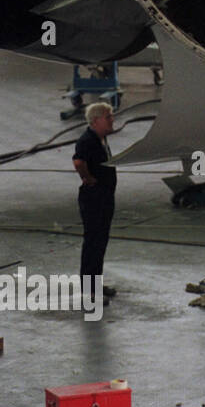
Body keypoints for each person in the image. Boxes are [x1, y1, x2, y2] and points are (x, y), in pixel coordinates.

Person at [72, 102, 118, 300]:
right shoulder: (87, 140)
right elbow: (78, 161)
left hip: (104, 197)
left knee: (100, 242)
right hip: (94, 198)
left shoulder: (101, 139)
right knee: (92, 243)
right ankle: (89, 291)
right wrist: (88, 178)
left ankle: (96, 284)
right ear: (96, 120)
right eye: (108, 117)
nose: (112, 120)